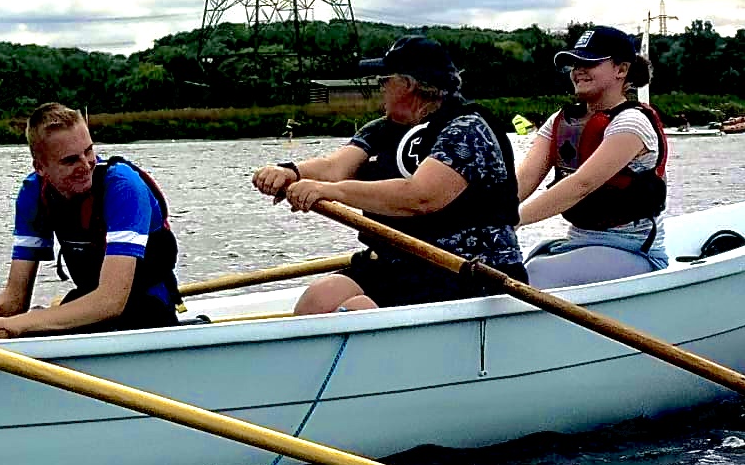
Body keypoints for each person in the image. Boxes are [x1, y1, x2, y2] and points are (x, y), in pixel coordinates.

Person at [251, 35, 525, 314]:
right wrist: (290, 172)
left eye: (385, 80)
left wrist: (331, 193)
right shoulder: (380, 129)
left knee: (358, 308)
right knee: (318, 298)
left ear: (407, 84)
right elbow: (334, 168)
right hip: (401, 262)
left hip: (468, 269)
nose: (380, 87)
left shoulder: (468, 128)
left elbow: (421, 197)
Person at [0, 102, 180, 339]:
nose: (85, 165)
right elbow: (15, 301)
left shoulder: (124, 188)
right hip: (91, 304)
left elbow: (111, 301)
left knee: (29, 325)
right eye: (70, 160)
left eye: (88, 151)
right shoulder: (33, 194)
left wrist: (22, 323)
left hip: (148, 310)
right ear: (41, 167)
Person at [512, 24, 670, 288]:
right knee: (513, 262)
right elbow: (525, 178)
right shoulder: (560, 121)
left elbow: (581, 185)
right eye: (574, 63)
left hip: (633, 251)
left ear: (621, 70)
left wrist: (512, 220)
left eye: (590, 62)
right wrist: (484, 215)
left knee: (536, 273)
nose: (578, 70)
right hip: (579, 241)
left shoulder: (632, 123)